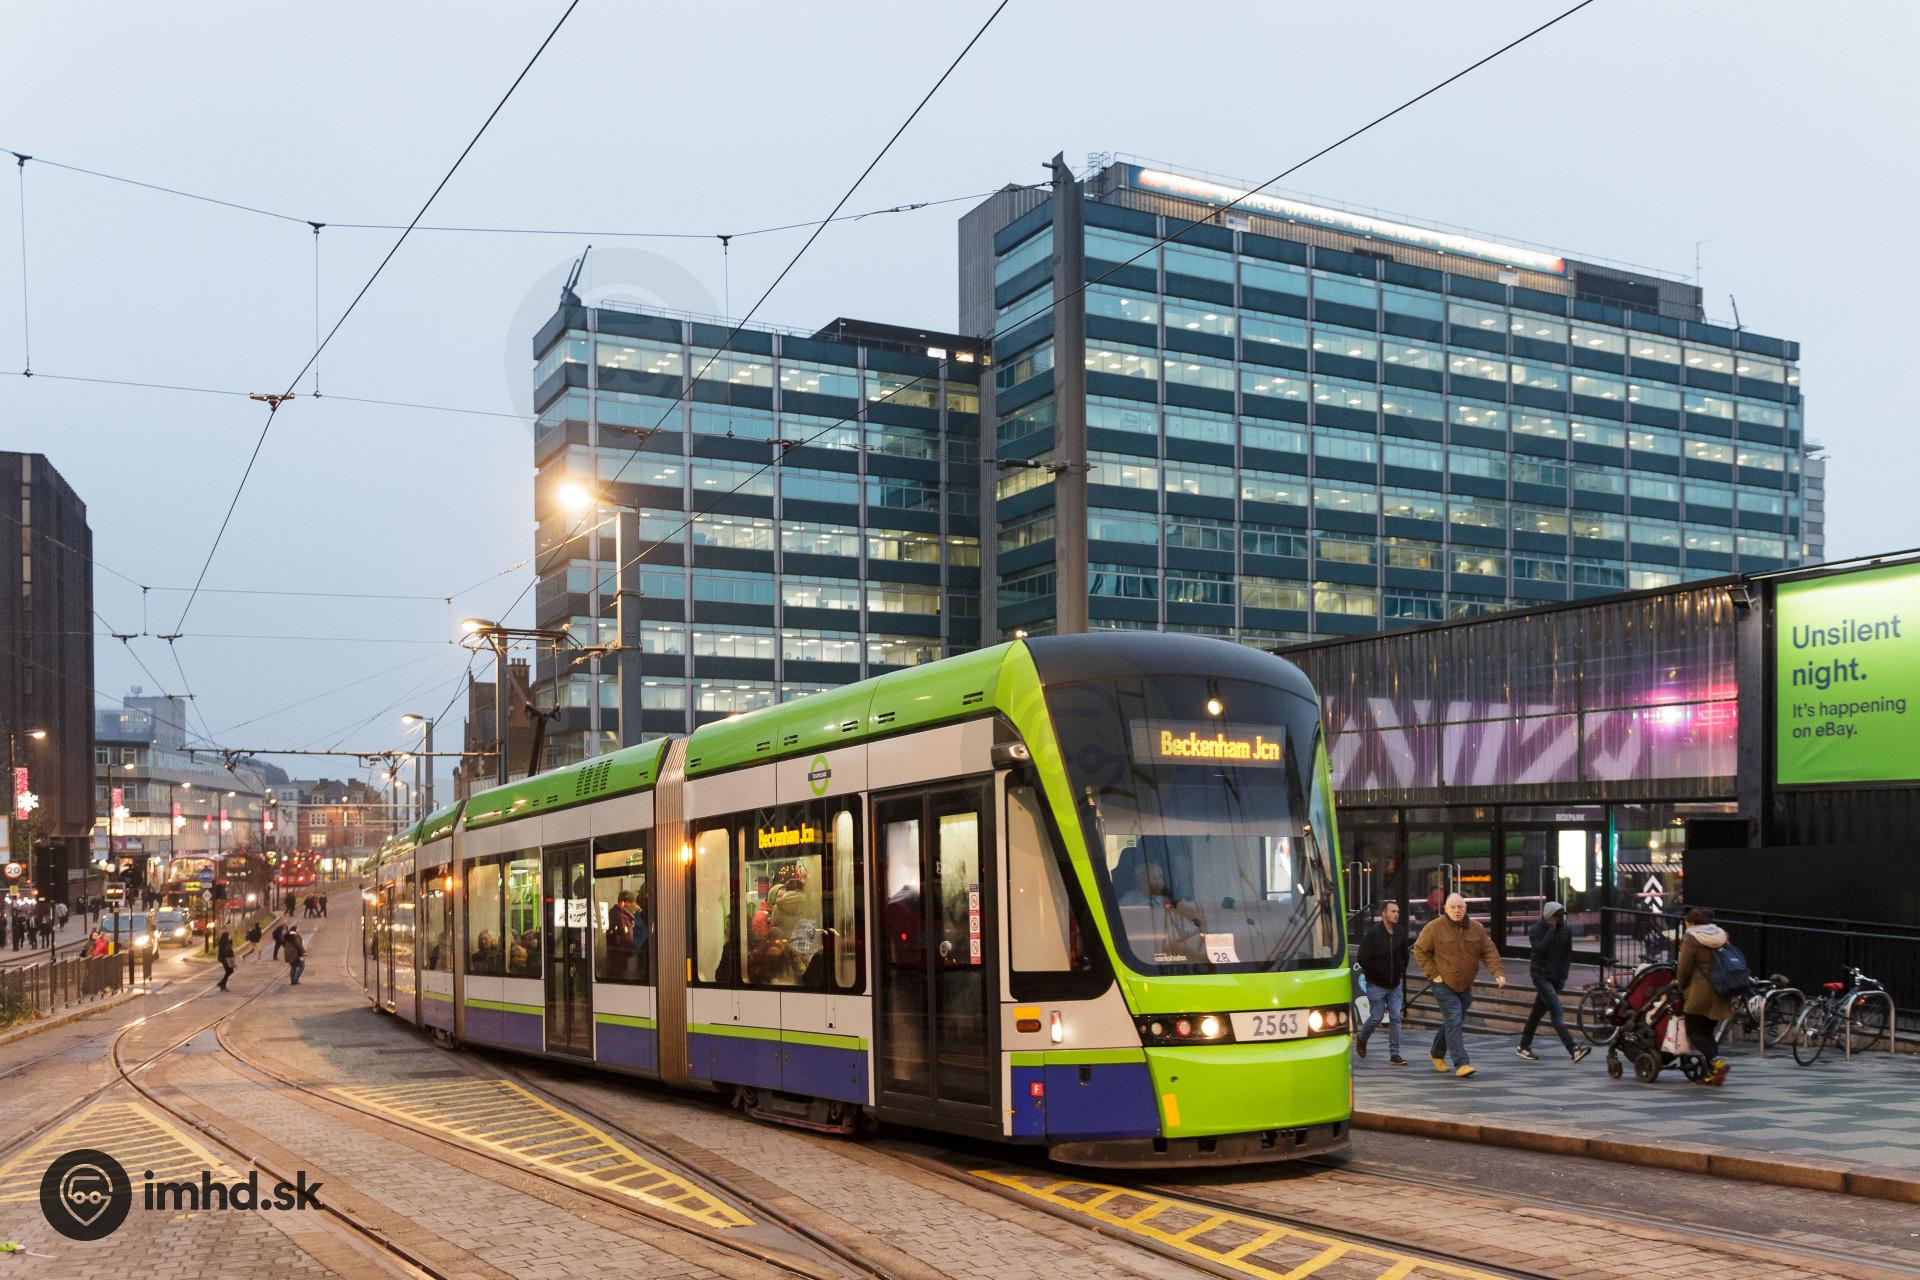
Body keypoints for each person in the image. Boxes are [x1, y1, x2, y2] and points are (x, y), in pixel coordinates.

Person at [1412, 892, 1505, 1078]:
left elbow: (1489, 951)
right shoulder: (1434, 927)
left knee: (1452, 1021)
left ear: (1465, 908)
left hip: (1465, 984)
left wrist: (1498, 973)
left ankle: (1436, 1053)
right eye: (1452, 907)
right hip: (1442, 983)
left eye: (1460, 907)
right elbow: (1420, 950)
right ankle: (1462, 1063)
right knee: (1454, 1018)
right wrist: (1433, 974)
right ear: (1445, 908)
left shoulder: (1476, 928)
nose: (1456, 911)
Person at [1516, 902, 1591, 1063]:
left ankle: (1523, 1046)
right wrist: (1551, 930)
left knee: (1536, 1013)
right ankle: (1573, 1049)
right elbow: (1539, 950)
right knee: (1557, 1013)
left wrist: (1564, 976)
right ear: (1548, 916)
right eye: (1556, 916)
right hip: (1541, 977)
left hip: (1557, 978)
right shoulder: (1536, 930)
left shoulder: (1566, 930)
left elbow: (1567, 954)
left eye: (1561, 916)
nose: (1559, 919)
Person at [1675, 906, 1732, 1086]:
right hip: (1721, 990)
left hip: (1699, 992)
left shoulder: (1692, 938)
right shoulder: (1721, 935)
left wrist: (1680, 985)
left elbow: (1684, 968)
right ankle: (1712, 1073)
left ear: (1690, 922)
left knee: (1693, 1031)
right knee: (1707, 1032)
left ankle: (1716, 1061)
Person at [1355, 900, 1411, 1064]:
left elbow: (1404, 955)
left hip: (1394, 985)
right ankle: (1362, 1037)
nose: (1396, 914)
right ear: (1384, 914)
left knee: (1395, 1018)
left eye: (1397, 912)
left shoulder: (1400, 932)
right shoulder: (1373, 934)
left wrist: (1401, 970)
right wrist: (1376, 974)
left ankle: (1395, 1054)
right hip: (1376, 984)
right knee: (1376, 1017)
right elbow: (1363, 958)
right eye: (1393, 911)